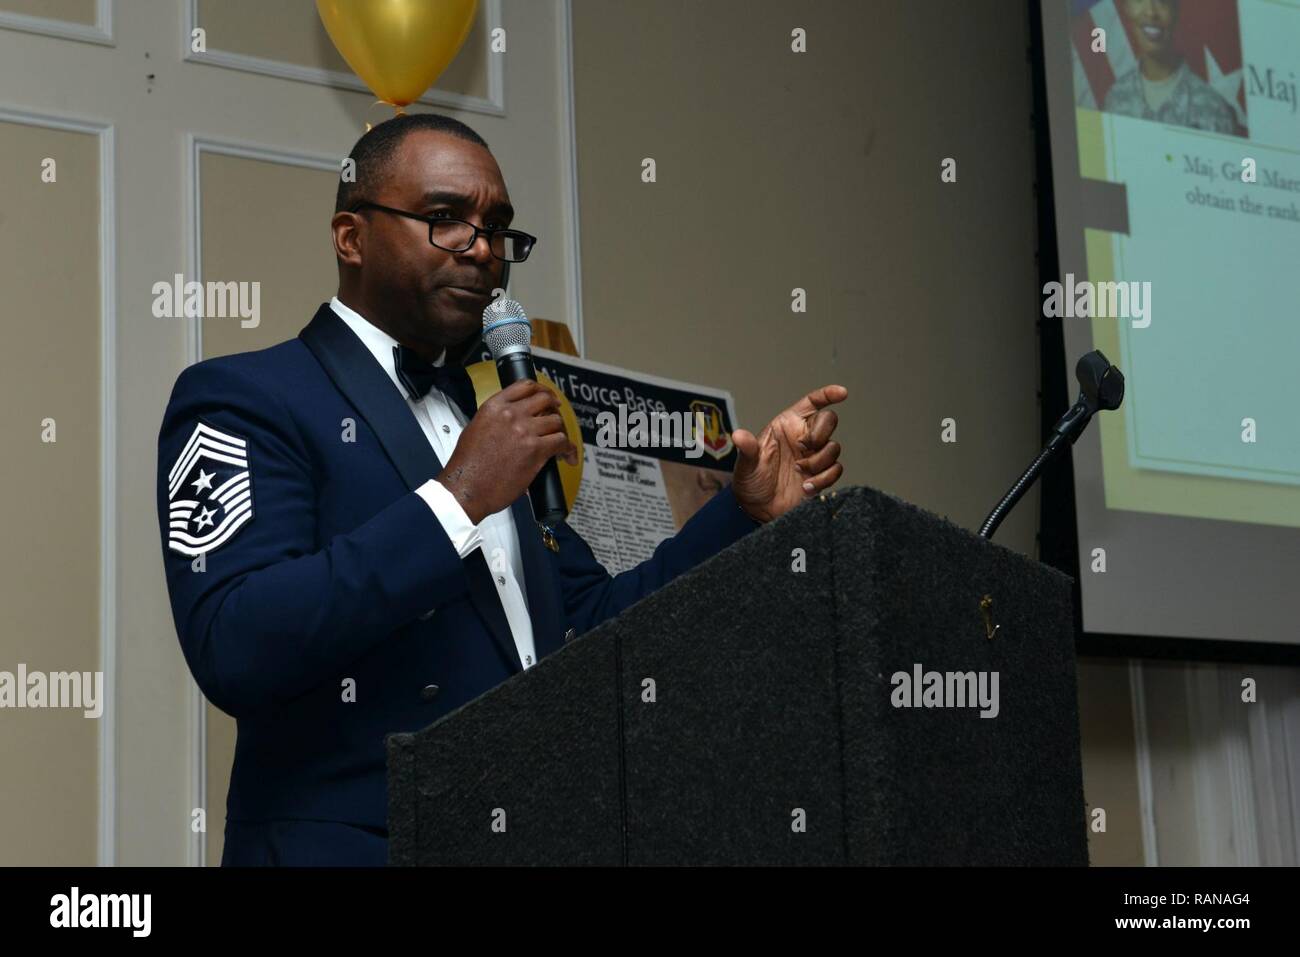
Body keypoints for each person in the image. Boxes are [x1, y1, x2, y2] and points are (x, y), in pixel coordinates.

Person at [156, 113, 847, 866]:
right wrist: (457, 496)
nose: (483, 250)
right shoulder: (244, 396)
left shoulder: (488, 415)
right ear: (350, 237)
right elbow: (236, 640)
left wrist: (742, 514)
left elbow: (592, 626)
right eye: (445, 218)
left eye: (498, 228)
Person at [1103, 0, 1239, 134]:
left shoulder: (1213, 110)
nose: (1151, 12)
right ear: (1126, 7)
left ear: (1175, 10)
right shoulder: (1114, 99)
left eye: (1162, 1)